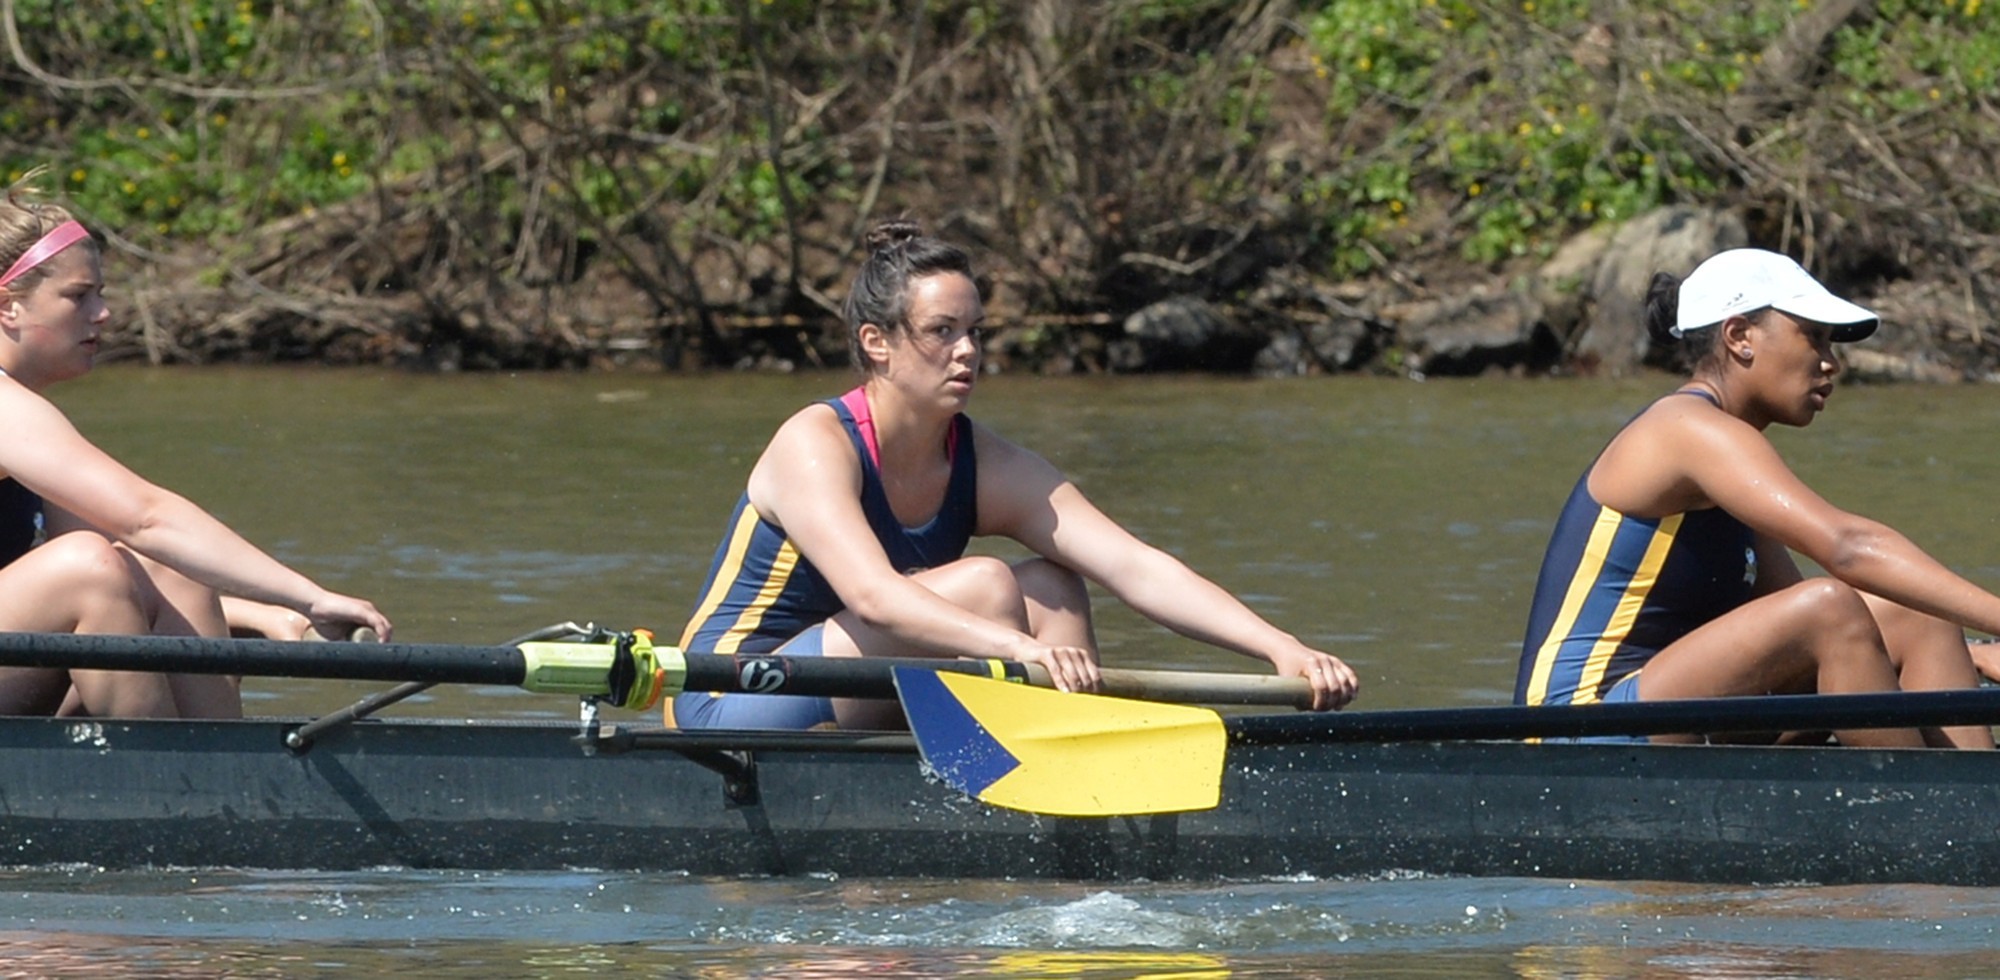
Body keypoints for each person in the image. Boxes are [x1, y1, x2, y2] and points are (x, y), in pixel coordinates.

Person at [668, 219, 1357, 730]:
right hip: (731, 698)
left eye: (976, 331)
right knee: (987, 584)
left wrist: (1281, 648)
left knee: (1055, 586)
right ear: (877, 343)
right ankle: (1020, 755)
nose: (968, 351)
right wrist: (1016, 648)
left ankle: (1072, 758)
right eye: (942, 331)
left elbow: (1136, 567)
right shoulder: (815, 443)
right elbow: (875, 599)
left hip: (860, 685)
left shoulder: (984, 462)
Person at [1515, 247, 2000, 748]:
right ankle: (1915, 797)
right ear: (1739, 337)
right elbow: (1847, 549)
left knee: (1918, 616)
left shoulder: (1730, 469)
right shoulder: (1685, 428)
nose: (1831, 363)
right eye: (1813, 337)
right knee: (1828, 607)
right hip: (1577, 730)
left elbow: (1798, 626)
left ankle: (1973, 794)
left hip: (1662, 717)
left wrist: (1970, 653)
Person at [0, 173, 393, 719]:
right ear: (9, 307)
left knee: (170, 569)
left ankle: (224, 761)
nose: (103, 313)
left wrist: (261, 614)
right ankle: (162, 769)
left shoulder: (28, 417)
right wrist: (307, 595)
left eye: (102, 293)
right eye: (78, 296)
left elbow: (143, 558)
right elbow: (146, 518)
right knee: (90, 567)